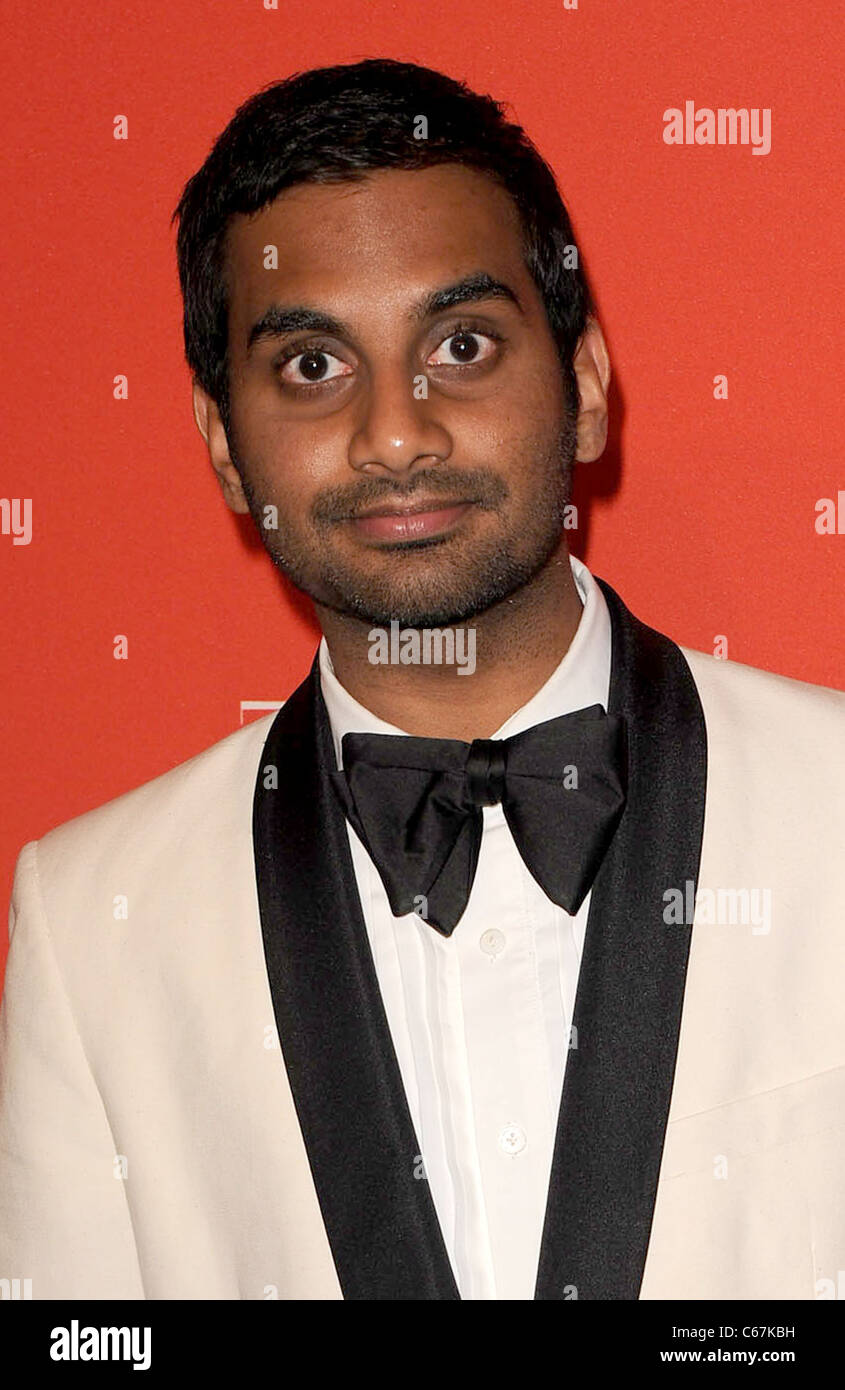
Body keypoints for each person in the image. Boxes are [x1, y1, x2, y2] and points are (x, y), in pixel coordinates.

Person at [1, 58, 843, 1302]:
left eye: (460, 343)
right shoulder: (87, 921)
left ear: (588, 384)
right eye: (310, 366)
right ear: (224, 447)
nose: (396, 431)